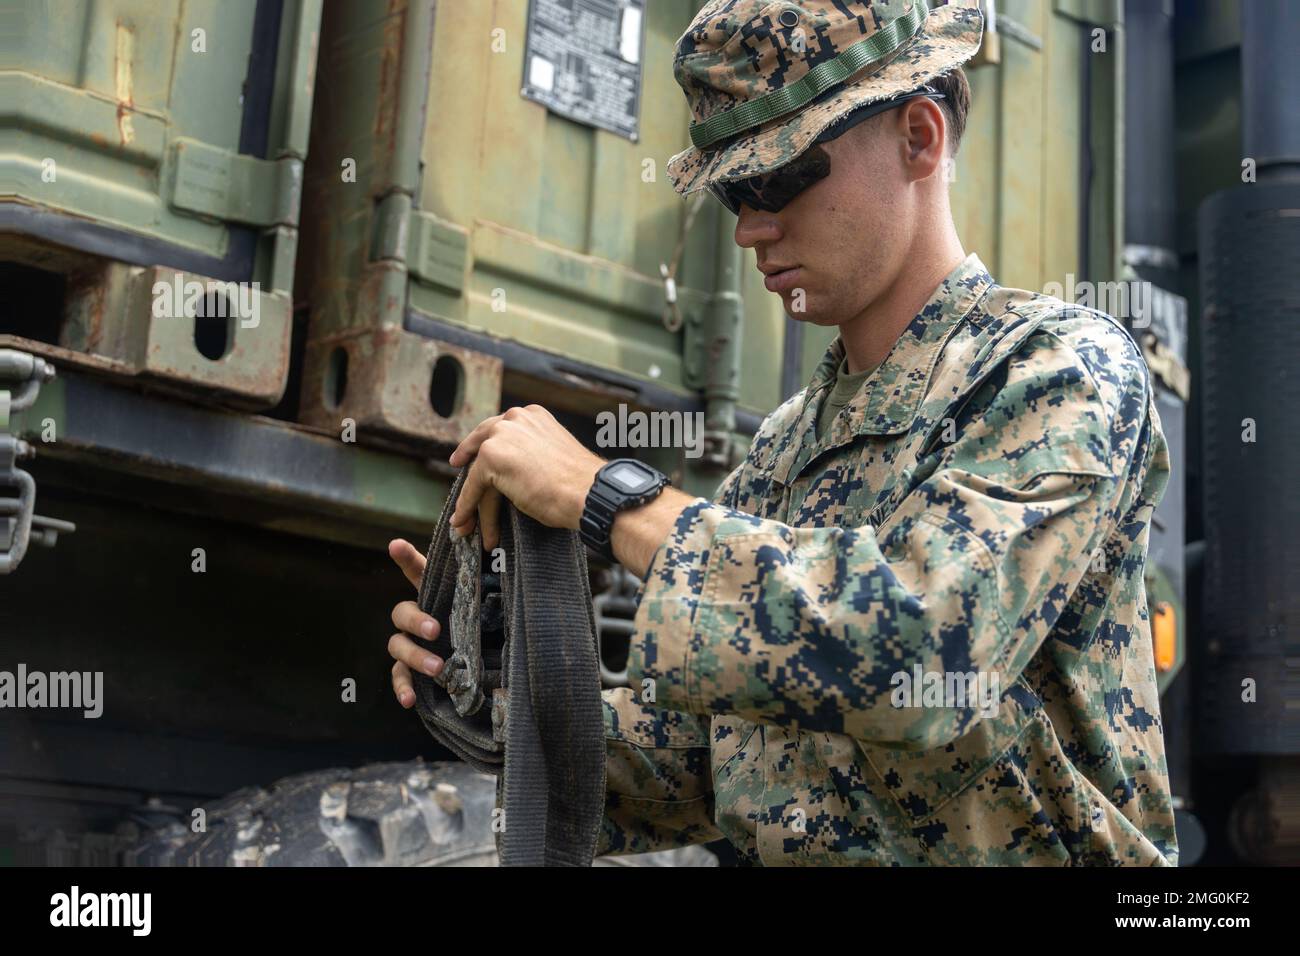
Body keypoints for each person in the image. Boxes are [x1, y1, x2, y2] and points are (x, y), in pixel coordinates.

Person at [385, 0, 1177, 865]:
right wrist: (499, 676)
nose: (749, 228)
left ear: (920, 137)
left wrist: (608, 502)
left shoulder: (1057, 371)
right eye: (734, 189)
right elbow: (697, 764)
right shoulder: (788, 447)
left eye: (781, 178)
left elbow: (923, 650)